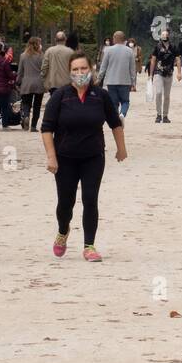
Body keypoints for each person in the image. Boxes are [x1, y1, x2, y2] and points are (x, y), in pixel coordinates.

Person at [41, 52, 128, 262]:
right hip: (65, 157)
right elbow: (46, 128)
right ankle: (63, 231)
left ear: (91, 69)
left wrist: (121, 148)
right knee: (65, 203)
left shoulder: (100, 95)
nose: (80, 73)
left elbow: (115, 123)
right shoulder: (60, 96)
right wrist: (51, 157)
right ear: (69, 72)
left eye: (83, 69)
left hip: (93, 156)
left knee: (90, 199)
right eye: (75, 70)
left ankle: (89, 246)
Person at [96, 30, 137, 119]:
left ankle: (116, 119)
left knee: (114, 102)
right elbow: (132, 69)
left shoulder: (108, 50)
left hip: (111, 81)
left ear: (114, 38)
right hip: (125, 81)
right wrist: (133, 83)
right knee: (125, 101)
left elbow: (103, 66)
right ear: (124, 39)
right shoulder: (130, 51)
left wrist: (99, 79)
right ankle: (122, 114)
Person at [148, 32, 182, 123]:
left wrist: (179, 72)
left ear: (169, 36)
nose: (164, 36)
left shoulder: (174, 47)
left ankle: (165, 115)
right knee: (158, 93)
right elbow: (153, 60)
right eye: (162, 35)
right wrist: (150, 74)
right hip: (158, 72)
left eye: (165, 35)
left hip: (169, 73)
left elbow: (178, 59)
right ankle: (158, 114)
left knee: (167, 96)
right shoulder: (157, 47)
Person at [17, 36, 46, 131]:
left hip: (27, 83)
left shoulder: (23, 55)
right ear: (38, 45)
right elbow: (44, 69)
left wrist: (18, 81)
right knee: (37, 105)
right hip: (39, 82)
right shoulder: (42, 56)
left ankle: (26, 116)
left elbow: (20, 71)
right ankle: (33, 126)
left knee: (26, 103)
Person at [41, 31, 75, 95]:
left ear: (55, 40)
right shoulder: (71, 52)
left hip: (53, 82)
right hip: (67, 82)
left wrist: (43, 78)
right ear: (65, 39)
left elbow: (44, 67)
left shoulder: (49, 51)